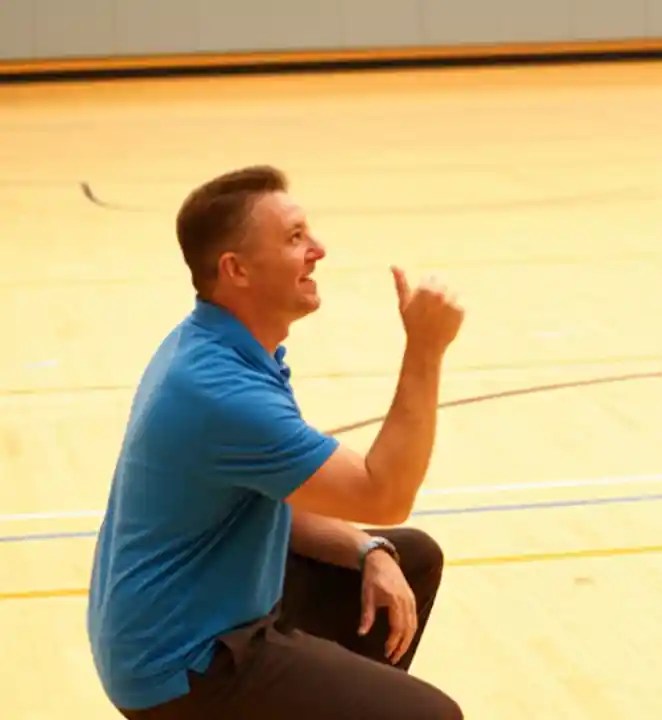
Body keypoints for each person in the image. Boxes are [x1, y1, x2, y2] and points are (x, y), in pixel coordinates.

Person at [86, 165, 466, 719]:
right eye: (294, 238)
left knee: (406, 558)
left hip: (182, 617)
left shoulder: (221, 343)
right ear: (235, 270)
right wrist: (425, 349)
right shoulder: (220, 392)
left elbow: (281, 495)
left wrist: (367, 549)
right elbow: (383, 494)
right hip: (182, 664)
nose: (318, 250)